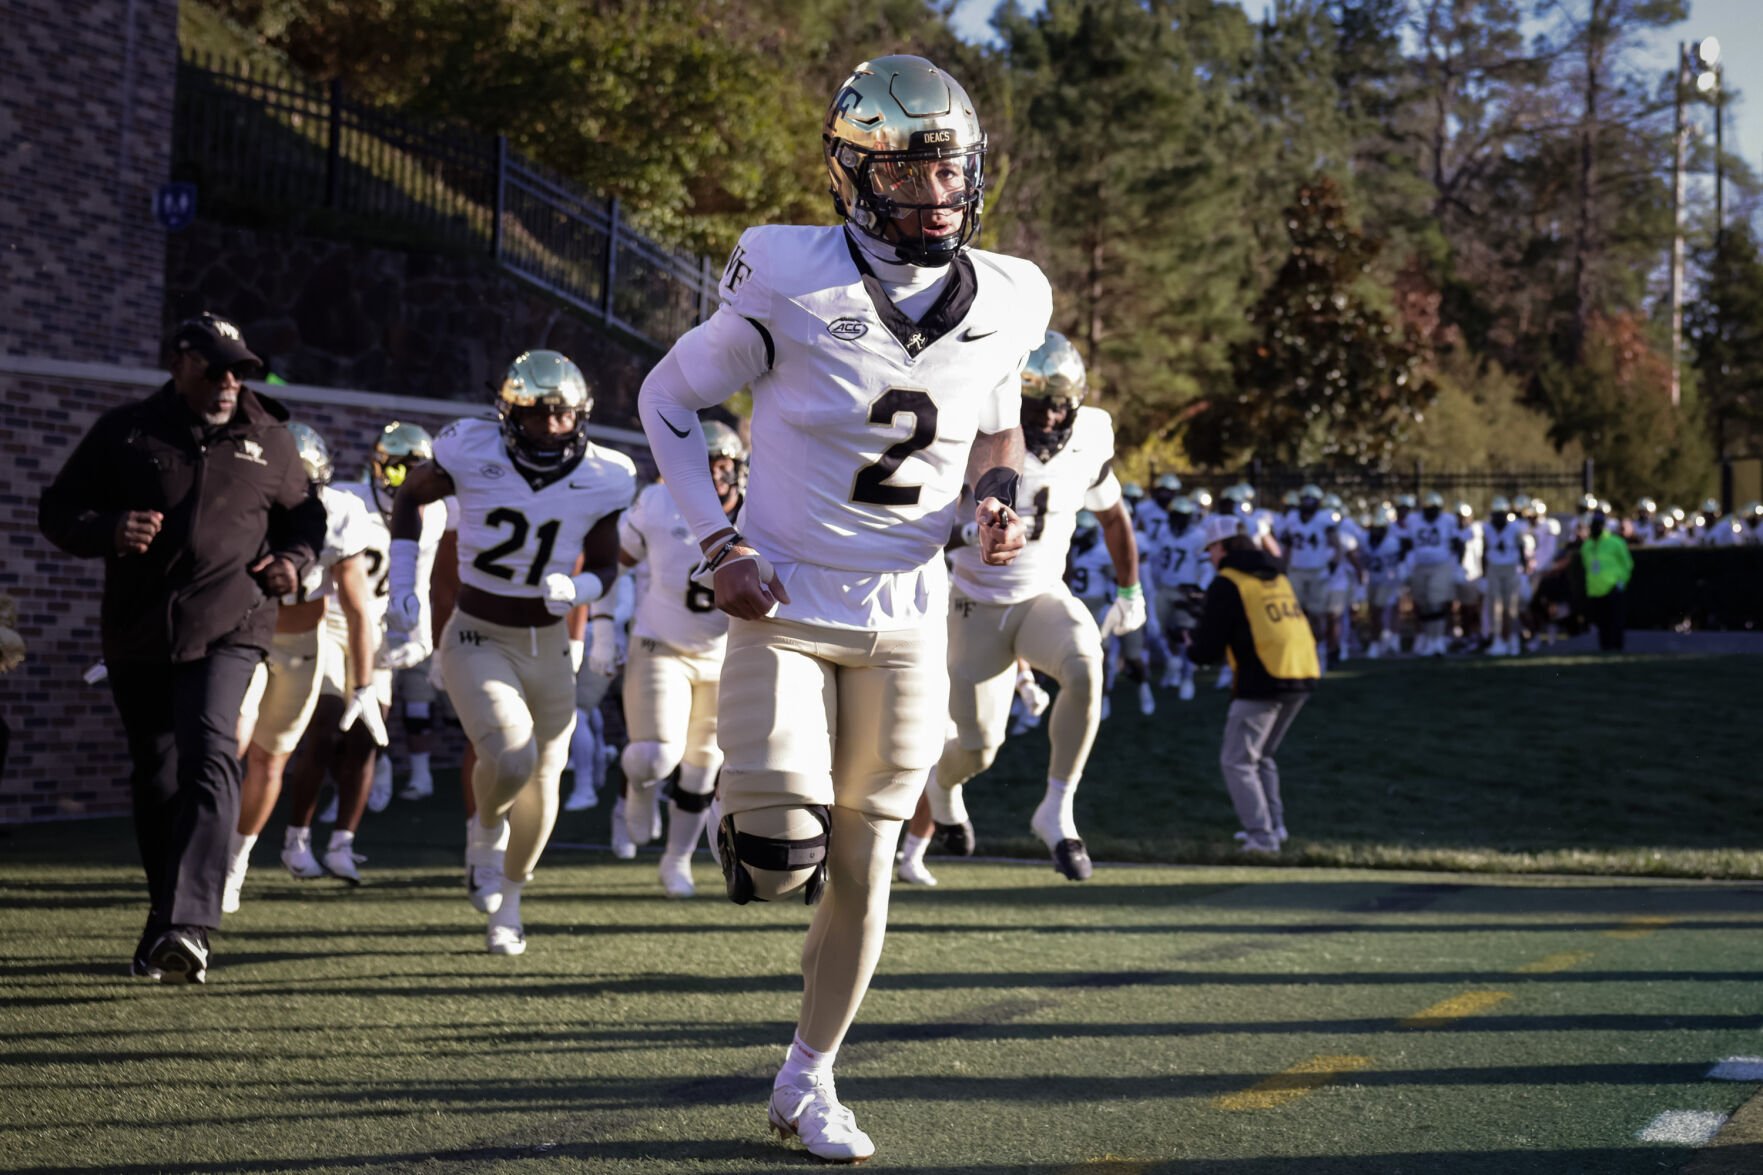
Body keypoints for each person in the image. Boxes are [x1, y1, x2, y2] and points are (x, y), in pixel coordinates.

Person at [636, 54, 1046, 1164]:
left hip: (911, 613)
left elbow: (998, 429)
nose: (936, 197)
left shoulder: (1011, 293)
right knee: (777, 853)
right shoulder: (785, 273)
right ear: (851, 174)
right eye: (909, 177)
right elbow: (667, 396)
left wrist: (1001, 497)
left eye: (949, 173)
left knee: (864, 863)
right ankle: (739, 806)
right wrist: (718, 541)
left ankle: (807, 1077)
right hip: (782, 597)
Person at [38, 312, 326, 983]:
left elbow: (304, 512)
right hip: (140, 633)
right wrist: (110, 528)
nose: (229, 382)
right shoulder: (126, 430)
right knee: (156, 778)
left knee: (210, 750)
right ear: (179, 363)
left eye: (239, 370)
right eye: (215, 368)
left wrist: (295, 557)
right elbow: (58, 510)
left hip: (233, 626)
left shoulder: (270, 438)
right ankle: (163, 921)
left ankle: (193, 925)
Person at [390, 349, 635, 954]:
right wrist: (402, 583)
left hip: (548, 642)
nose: (554, 427)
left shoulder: (607, 473)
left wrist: (578, 589)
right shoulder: (469, 448)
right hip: (477, 630)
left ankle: (513, 901)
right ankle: (485, 828)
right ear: (509, 413)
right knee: (513, 755)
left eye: (565, 415)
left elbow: (606, 565)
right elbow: (409, 498)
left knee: (546, 779)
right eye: (541, 415)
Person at [924, 330, 1142, 882]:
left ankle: (1057, 809)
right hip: (973, 603)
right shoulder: (977, 432)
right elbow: (920, 526)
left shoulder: (1092, 434)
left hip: (1042, 594)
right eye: (1036, 407)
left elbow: (1113, 515)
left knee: (1086, 666)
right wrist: (968, 535)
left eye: (1060, 406)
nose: (1048, 419)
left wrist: (1129, 590)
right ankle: (943, 786)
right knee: (976, 749)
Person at [223, 423, 386, 911]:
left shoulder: (340, 513)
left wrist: (364, 684)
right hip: (241, 633)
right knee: (229, 741)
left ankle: (236, 859)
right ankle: (203, 850)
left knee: (271, 759)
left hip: (301, 642)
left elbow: (357, 607)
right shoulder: (235, 501)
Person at [610, 420, 747, 897]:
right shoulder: (656, 502)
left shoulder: (762, 513)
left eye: (721, 465)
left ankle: (677, 861)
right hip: (660, 644)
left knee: (702, 765)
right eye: (700, 465)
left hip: (723, 654)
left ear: (739, 469)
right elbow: (614, 561)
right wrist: (601, 627)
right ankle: (640, 789)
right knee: (654, 755)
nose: (712, 476)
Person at [1187, 513, 1319, 853]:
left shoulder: (1228, 581)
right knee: (1261, 757)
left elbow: (1207, 649)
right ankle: (1275, 827)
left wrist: (1191, 643)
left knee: (1238, 760)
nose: (1211, 557)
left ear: (1223, 546)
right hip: (1301, 671)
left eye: (1212, 549)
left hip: (1263, 677)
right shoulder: (1276, 573)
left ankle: (1262, 837)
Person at [1579, 512, 1633, 651]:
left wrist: (1621, 583)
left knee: (1615, 621)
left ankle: (1617, 647)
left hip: (1613, 588)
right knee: (1601, 622)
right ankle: (1605, 647)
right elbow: (1587, 566)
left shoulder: (1615, 542)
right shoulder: (1587, 546)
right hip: (1595, 590)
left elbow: (1627, 564)